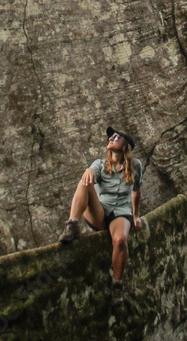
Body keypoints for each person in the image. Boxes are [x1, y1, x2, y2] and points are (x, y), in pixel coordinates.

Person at [59, 126, 143, 306]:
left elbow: (136, 191)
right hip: (100, 211)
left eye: (116, 137)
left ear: (125, 145)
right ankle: (73, 224)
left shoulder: (135, 166)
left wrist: (136, 216)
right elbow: (90, 176)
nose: (111, 138)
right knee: (84, 181)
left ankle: (117, 284)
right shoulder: (99, 164)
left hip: (121, 213)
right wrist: (88, 171)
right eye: (111, 137)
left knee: (120, 240)